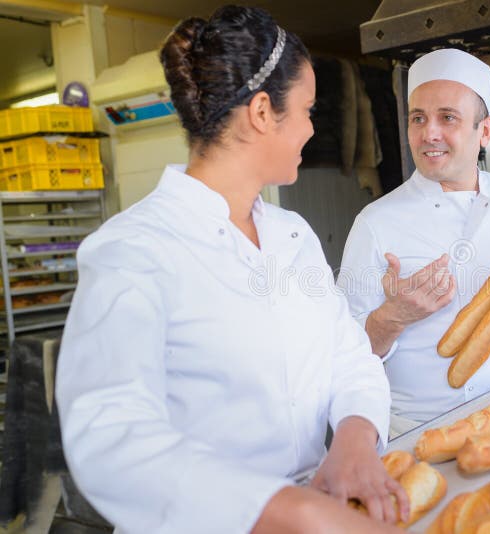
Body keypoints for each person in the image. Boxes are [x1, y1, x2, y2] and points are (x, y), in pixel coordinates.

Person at [55, 6, 408, 533]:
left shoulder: (292, 236)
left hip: (320, 512)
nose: (312, 128)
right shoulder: (133, 250)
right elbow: (111, 438)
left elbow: (349, 355)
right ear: (263, 112)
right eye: (308, 109)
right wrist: (290, 510)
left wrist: (355, 442)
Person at [338, 49, 490, 435]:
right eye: (418, 118)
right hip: (417, 433)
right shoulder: (375, 222)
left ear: (485, 131)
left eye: (447, 118)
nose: (429, 134)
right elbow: (342, 349)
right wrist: (393, 316)